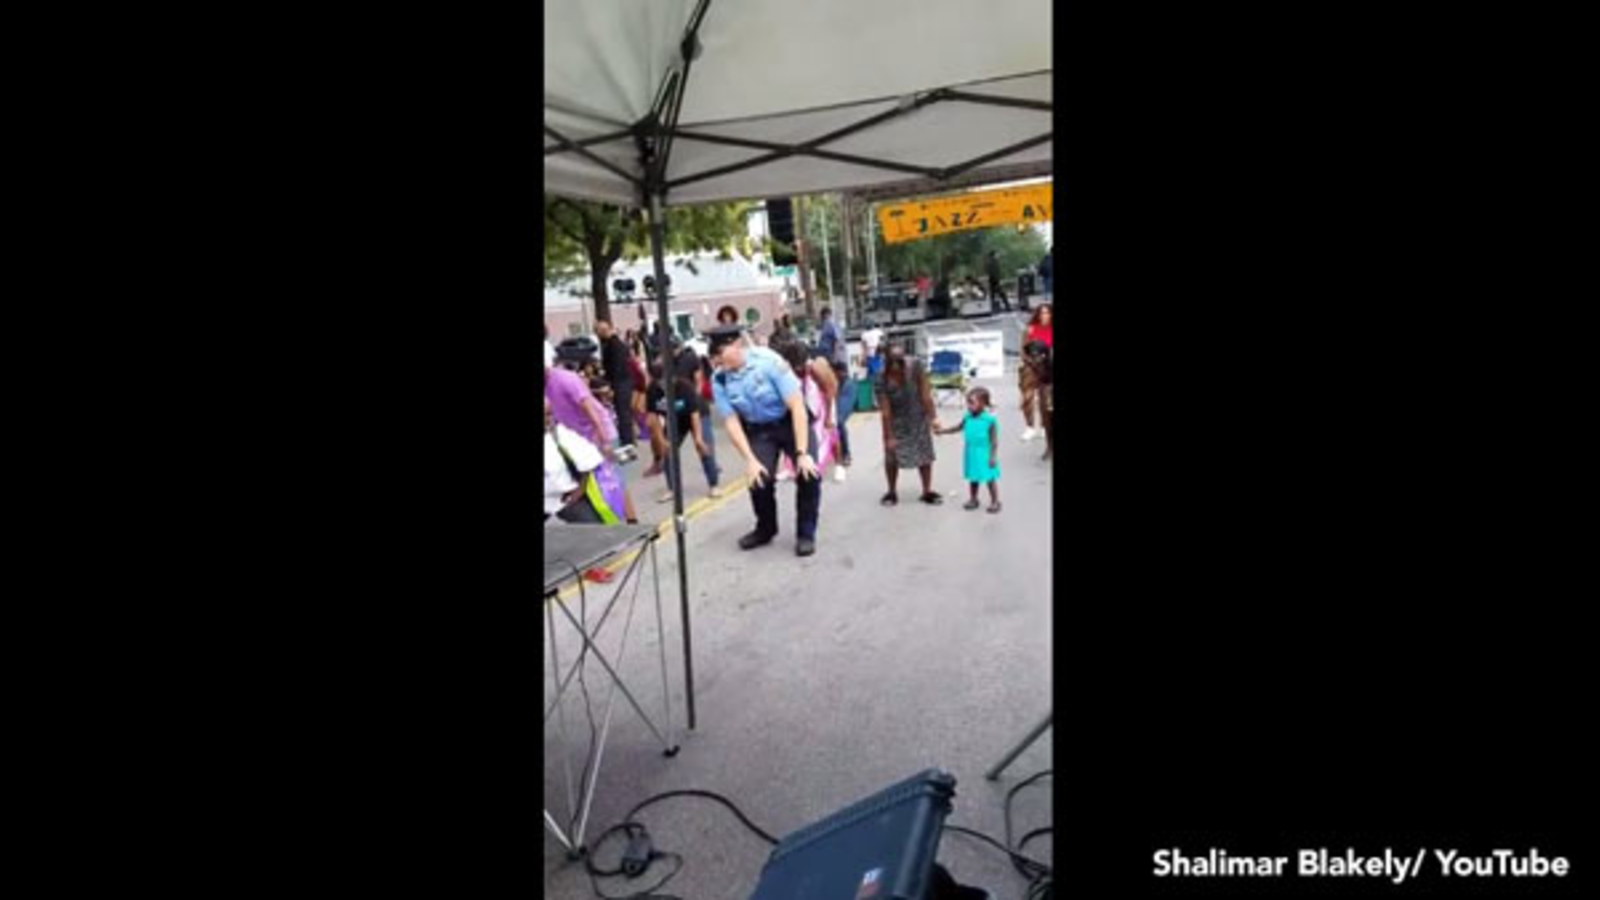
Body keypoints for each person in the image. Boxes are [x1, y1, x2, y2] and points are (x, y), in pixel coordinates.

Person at [706, 325, 822, 557]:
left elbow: (797, 406)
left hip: (790, 422)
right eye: (714, 357)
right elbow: (731, 422)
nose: (717, 362)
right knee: (758, 479)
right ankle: (766, 528)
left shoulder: (768, 361)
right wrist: (750, 460)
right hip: (759, 430)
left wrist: (802, 453)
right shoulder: (719, 378)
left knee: (808, 475)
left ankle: (806, 533)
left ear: (735, 345)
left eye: (719, 354)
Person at [546, 347, 637, 524]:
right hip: (576, 438)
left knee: (613, 479)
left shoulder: (565, 379)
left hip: (598, 431)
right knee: (592, 483)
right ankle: (605, 518)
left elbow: (590, 409)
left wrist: (604, 441)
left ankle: (632, 520)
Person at [875, 344, 941, 506]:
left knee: (924, 451)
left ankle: (926, 491)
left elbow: (925, 393)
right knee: (891, 455)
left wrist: (933, 418)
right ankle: (891, 491)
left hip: (917, 414)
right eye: (893, 363)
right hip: (895, 418)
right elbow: (885, 411)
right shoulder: (881, 378)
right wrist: (889, 436)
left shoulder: (916, 366)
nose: (897, 366)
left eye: (900, 362)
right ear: (887, 362)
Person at [646, 365, 720, 503]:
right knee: (668, 452)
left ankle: (713, 485)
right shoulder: (652, 390)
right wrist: (661, 440)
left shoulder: (684, 386)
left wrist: (698, 439)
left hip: (697, 415)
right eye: (661, 382)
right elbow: (652, 418)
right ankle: (672, 488)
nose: (665, 384)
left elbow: (694, 414)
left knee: (704, 448)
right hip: (675, 419)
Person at [772, 338, 840, 484]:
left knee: (831, 433)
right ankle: (789, 467)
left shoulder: (816, 368)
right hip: (805, 401)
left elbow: (830, 391)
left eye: (800, 366)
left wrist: (828, 416)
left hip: (824, 399)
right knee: (795, 431)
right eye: (794, 367)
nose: (798, 370)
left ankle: (839, 465)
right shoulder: (785, 369)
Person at [545, 398, 623, 524]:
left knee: (595, 533)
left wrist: (580, 491)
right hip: (547, 501)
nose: (548, 419)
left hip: (567, 500)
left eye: (549, 414)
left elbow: (589, 462)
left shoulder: (561, 435)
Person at [935, 387, 1001, 513]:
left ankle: (995, 501)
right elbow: (957, 428)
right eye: (968, 403)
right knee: (973, 477)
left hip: (984, 453)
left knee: (989, 478)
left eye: (972, 402)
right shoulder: (967, 417)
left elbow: (994, 441)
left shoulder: (989, 420)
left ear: (983, 403)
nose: (969, 406)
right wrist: (943, 431)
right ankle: (973, 499)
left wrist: (992, 456)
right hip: (971, 452)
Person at [812, 307, 853, 479]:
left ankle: (844, 455)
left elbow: (831, 349)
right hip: (836, 374)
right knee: (833, 421)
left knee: (837, 421)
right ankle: (837, 454)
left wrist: (830, 363)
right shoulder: (833, 329)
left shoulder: (829, 328)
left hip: (840, 378)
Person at [1020, 304, 1052, 442]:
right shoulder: (1030, 329)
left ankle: (1045, 427)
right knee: (1027, 399)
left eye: (1047, 313)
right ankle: (1030, 427)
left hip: (1048, 367)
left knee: (1045, 400)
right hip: (1030, 367)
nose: (1044, 316)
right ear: (1037, 315)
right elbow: (1022, 350)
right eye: (1041, 313)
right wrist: (1030, 362)